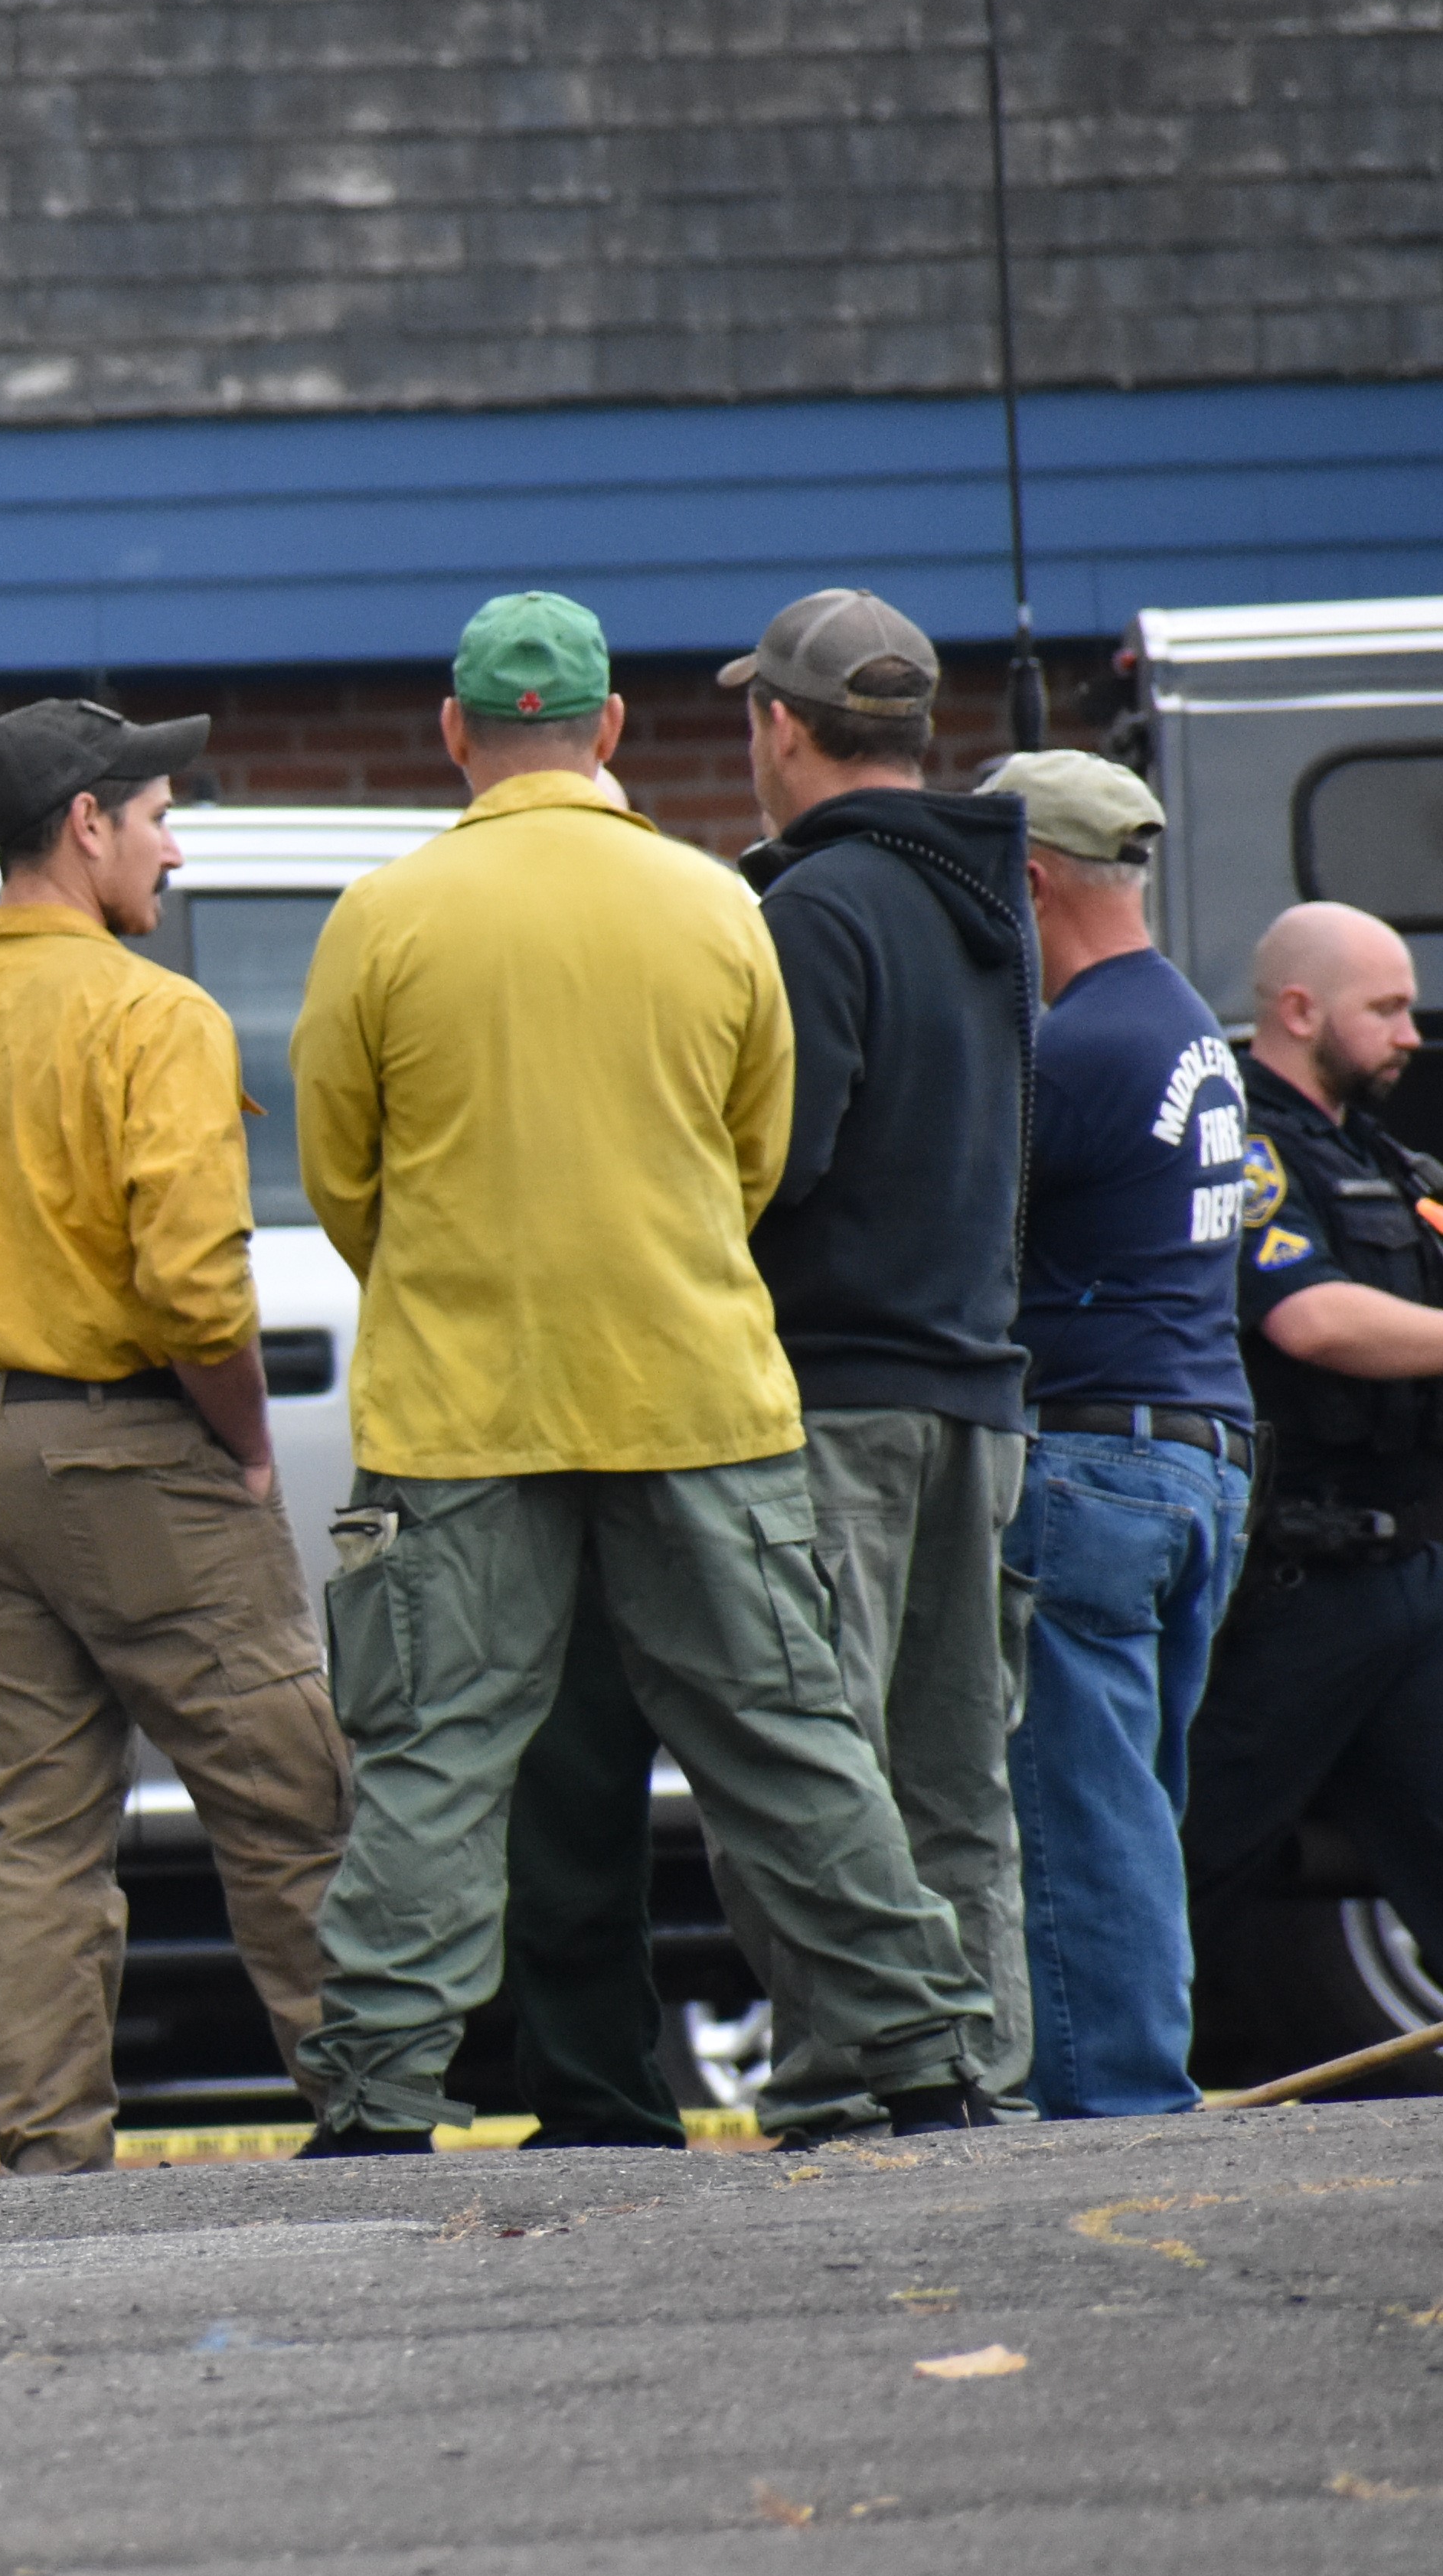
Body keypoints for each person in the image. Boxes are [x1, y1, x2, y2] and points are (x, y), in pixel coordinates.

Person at [286, 591, 995, 2146]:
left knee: (437, 1758)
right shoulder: (717, 905)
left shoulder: (383, 916)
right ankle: (925, 2057)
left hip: (462, 1412)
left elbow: (347, 1178)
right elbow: (757, 1153)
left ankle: (378, 2100)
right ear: (610, 727)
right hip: (696, 1395)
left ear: (457, 733)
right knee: (792, 1739)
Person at [0, 709, 344, 2176]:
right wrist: (240, 1445)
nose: (175, 844)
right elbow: (192, 1291)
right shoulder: (152, 1014)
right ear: (88, 824)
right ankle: (369, 2110)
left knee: (36, 1829)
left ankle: (49, 2155)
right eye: (162, 813)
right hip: (140, 1456)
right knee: (286, 1797)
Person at [714, 589, 1041, 2123]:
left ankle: (851, 2075)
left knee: (807, 1762)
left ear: (783, 723)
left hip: (834, 1399)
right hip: (978, 1393)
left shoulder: (814, 910)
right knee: (958, 1775)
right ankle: (976, 2062)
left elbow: (779, 1156)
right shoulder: (994, 899)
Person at [975, 756, 1251, 2118]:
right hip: (1203, 1454)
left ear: (1028, 880)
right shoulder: (1189, 1023)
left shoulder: (1074, 1052)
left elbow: (953, 1228)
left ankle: (1120, 2111)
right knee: (1140, 1802)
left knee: (1085, 1814)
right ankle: (1137, 2078)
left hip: (1091, 1462)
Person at [1179, 905, 1443, 1994]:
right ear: (1297, 1010)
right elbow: (1311, 1320)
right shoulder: (1250, 1147)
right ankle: (1076, 2119)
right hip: (1299, 1587)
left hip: (1407, 1577)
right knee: (1190, 1865)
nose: (1412, 1033)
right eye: (1385, 1008)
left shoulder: (1375, 1153)